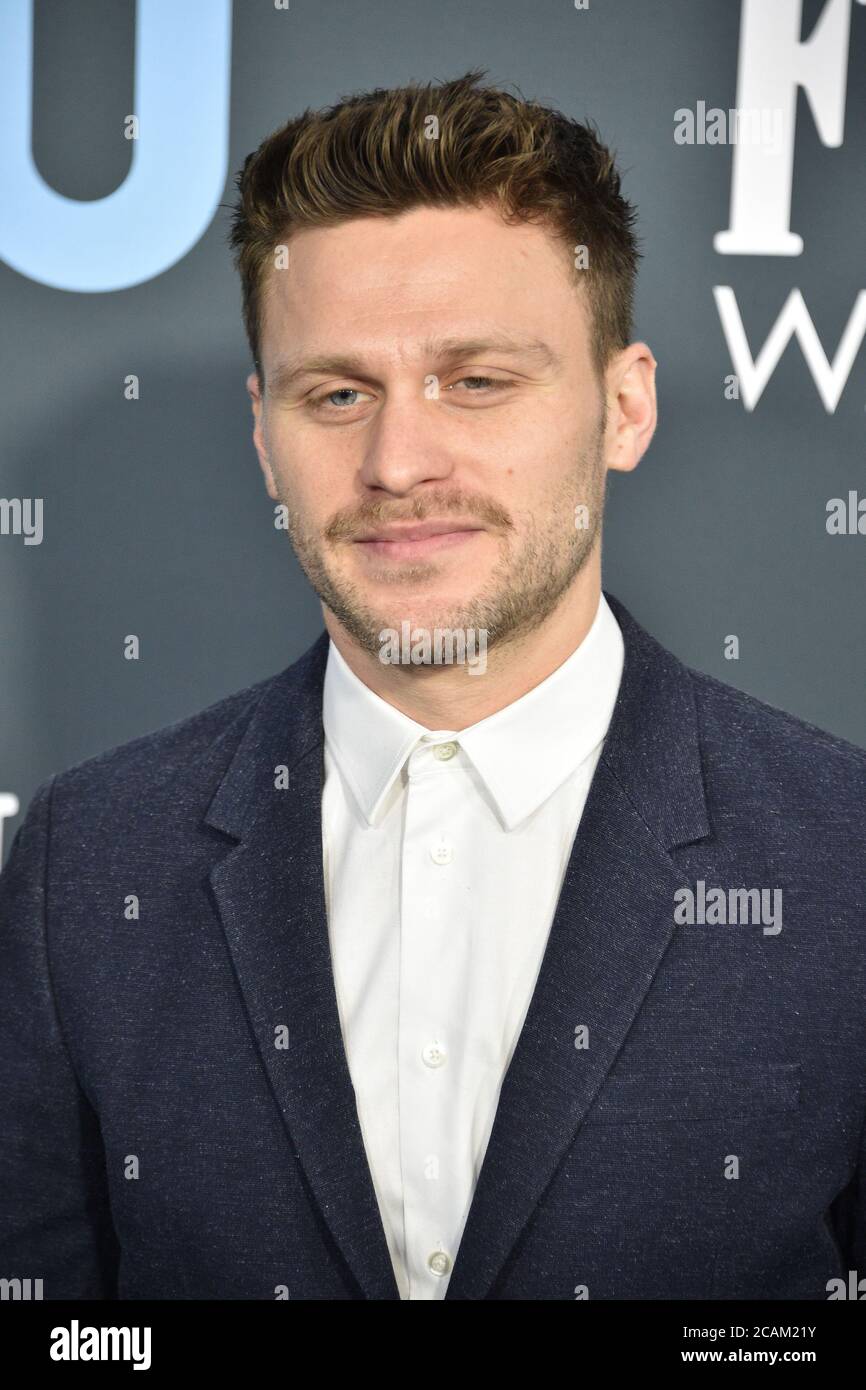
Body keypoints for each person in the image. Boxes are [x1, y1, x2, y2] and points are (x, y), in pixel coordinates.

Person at [1, 70, 864, 1302]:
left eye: (478, 380)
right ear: (263, 438)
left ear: (623, 407)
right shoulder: (90, 864)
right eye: (337, 393)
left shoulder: (844, 857)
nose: (399, 461)